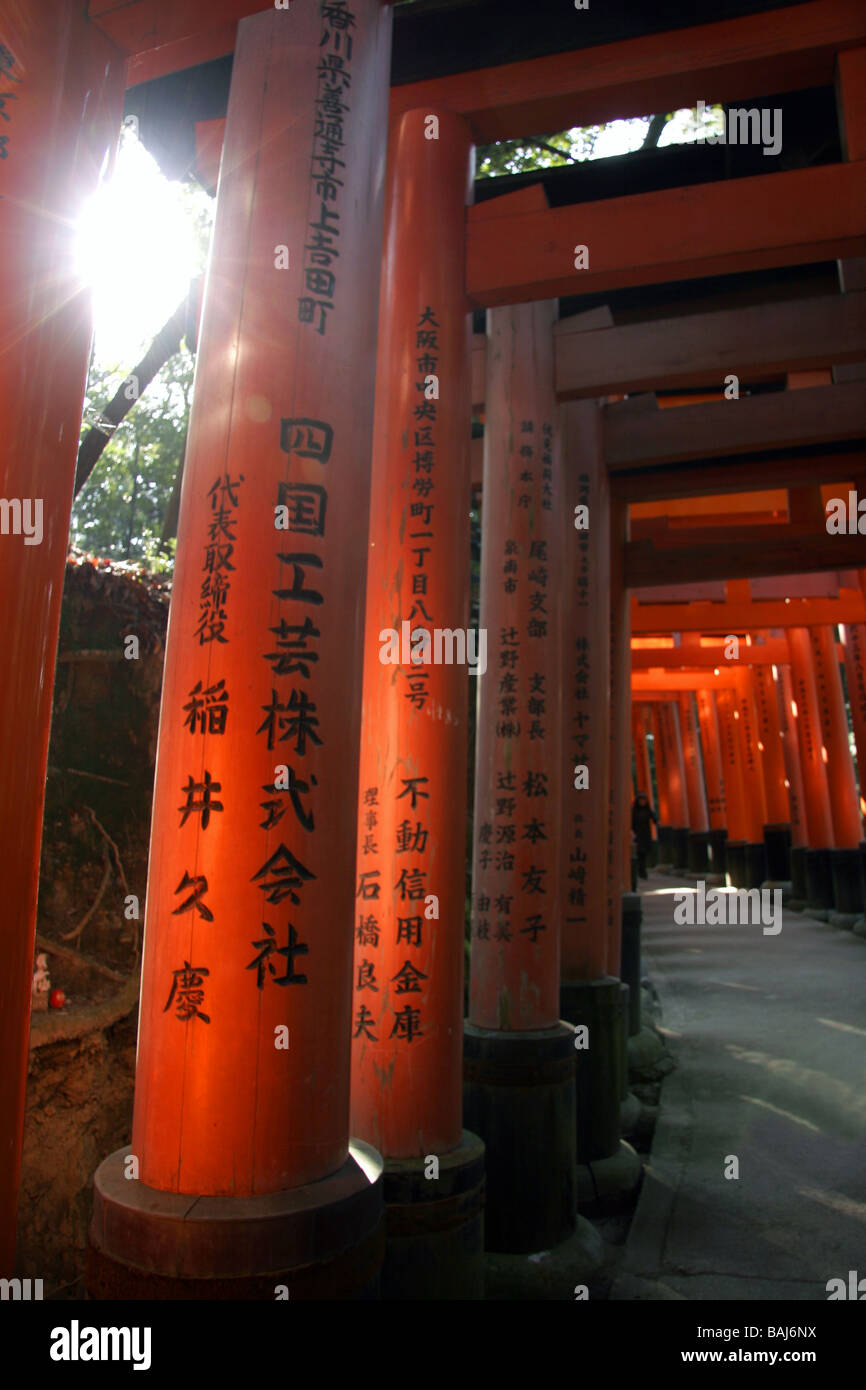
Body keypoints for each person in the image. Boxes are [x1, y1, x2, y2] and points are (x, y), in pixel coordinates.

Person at [631, 792, 658, 879]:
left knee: (643, 854)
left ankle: (642, 871)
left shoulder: (648, 810)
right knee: (638, 853)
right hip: (637, 834)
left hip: (645, 834)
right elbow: (631, 823)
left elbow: (655, 819)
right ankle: (640, 871)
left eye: (644, 800)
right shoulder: (634, 811)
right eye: (641, 800)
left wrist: (656, 820)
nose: (642, 802)